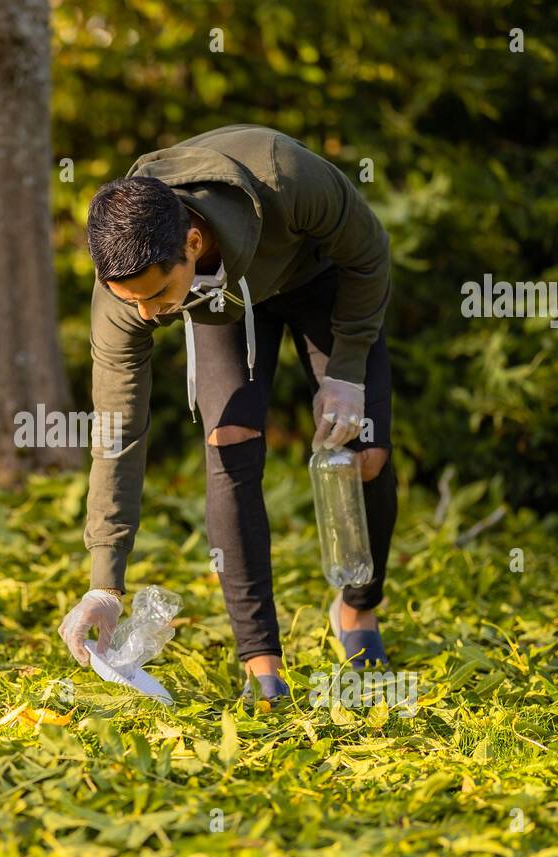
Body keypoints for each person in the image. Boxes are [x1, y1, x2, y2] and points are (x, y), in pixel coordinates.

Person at [57, 124, 397, 705]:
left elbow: (368, 252)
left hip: (316, 276)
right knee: (231, 442)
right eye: (130, 299)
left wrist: (345, 372)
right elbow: (117, 429)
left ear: (191, 241)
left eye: (155, 296)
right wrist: (105, 581)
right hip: (222, 306)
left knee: (364, 452)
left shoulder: (282, 174)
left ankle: (357, 610)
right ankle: (261, 662)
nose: (146, 313)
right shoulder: (126, 293)